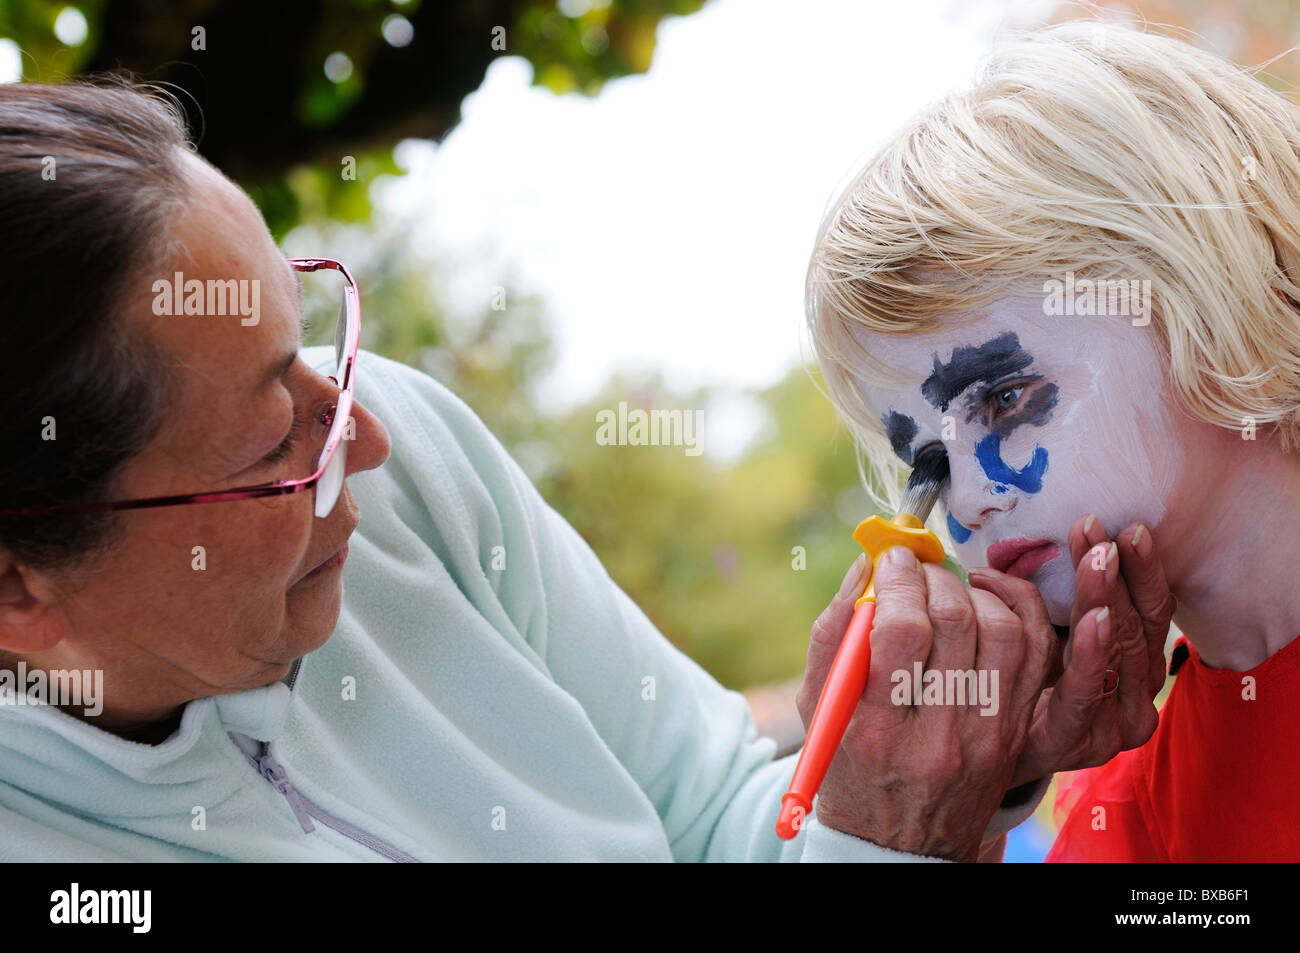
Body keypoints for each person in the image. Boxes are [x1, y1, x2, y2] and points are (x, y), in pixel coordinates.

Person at [0, 77, 1150, 863]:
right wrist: (878, 836)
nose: (369, 440)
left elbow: (710, 815)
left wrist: (943, 770)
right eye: (269, 450)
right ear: (18, 588)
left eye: (313, 345)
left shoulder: (403, 455)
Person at [806, 19, 1300, 861]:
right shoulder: (1123, 814)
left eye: (1000, 396)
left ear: (1207, 292)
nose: (966, 500)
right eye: (926, 461)